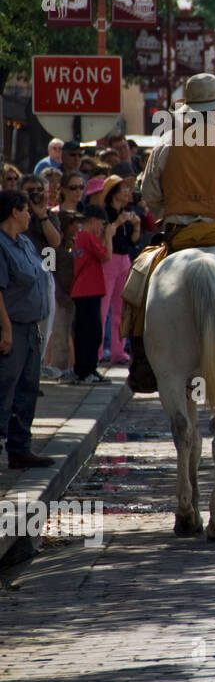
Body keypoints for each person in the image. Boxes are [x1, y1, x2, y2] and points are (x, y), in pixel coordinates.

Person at [128, 73, 215, 391]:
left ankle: (141, 359)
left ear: (188, 110)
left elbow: (148, 192)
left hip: (178, 234)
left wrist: (166, 212)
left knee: (137, 284)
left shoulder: (166, 143)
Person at [0, 189, 55, 468]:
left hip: (31, 328)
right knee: (5, 387)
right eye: (25, 210)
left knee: (28, 388)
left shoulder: (24, 242)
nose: (29, 215)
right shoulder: (1, 245)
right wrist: (6, 329)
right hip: (12, 328)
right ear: (13, 212)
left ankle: (20, 449)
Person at [19, 175, 61, 377]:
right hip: (21, 278)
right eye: (29, 190)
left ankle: (36, 369)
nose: (35, 193)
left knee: (45, 326)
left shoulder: (49, 215)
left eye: (38, 189)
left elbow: (55, 242)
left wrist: (42, 215)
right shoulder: (15, 215)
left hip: (45, 274)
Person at [47, 171, 85, 380]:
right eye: (74, 187)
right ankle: (58, 370)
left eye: (81, 187)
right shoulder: (55, 214)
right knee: (60, 331)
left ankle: (73, 369)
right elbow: (50, 254)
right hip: (59, 279)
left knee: (79, 332)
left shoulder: (86, 215)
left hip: (81, 281)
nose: (78, 191)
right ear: (62, 190)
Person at [70, 205, 113, 383]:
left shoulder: (80, 236)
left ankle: (86, 369)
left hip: (83, 290)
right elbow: (106, 255)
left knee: (86, 331)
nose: (102, 229)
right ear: (94, 221)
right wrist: (109, 237)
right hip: (88, 290)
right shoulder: (87, 236)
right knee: (91, 332)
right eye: (102, 225)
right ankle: (86, 369)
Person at [100, 175, 140, 365]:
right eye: (124, 189)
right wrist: (117, 223)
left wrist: (136, 227)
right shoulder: (105, 213)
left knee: (121, 309)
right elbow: (106, 235)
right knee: (103, 309)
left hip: (125, 260)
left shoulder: (127, 212)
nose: (128, 192)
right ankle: (98, 351)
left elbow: (131, 242)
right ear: (114, 193)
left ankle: (118, 350)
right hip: (109, 261)